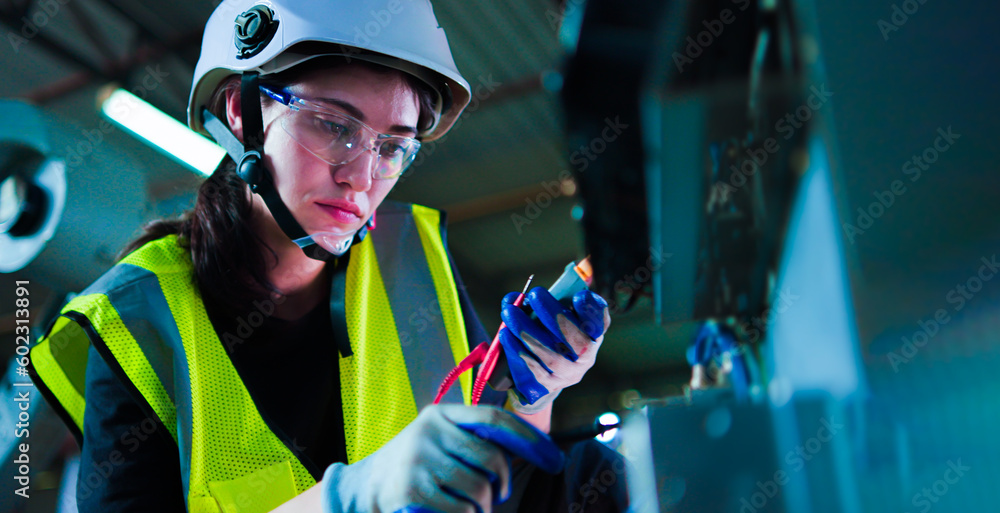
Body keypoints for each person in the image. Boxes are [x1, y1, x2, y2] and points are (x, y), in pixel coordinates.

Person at [28, 1, 627, 511]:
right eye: (334, 125)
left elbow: (506, 493)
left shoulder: (412, 264)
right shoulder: (136, 321)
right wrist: (350, 497)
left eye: (393, 147)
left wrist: (535, 398)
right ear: (242, 111)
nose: (362, 178)